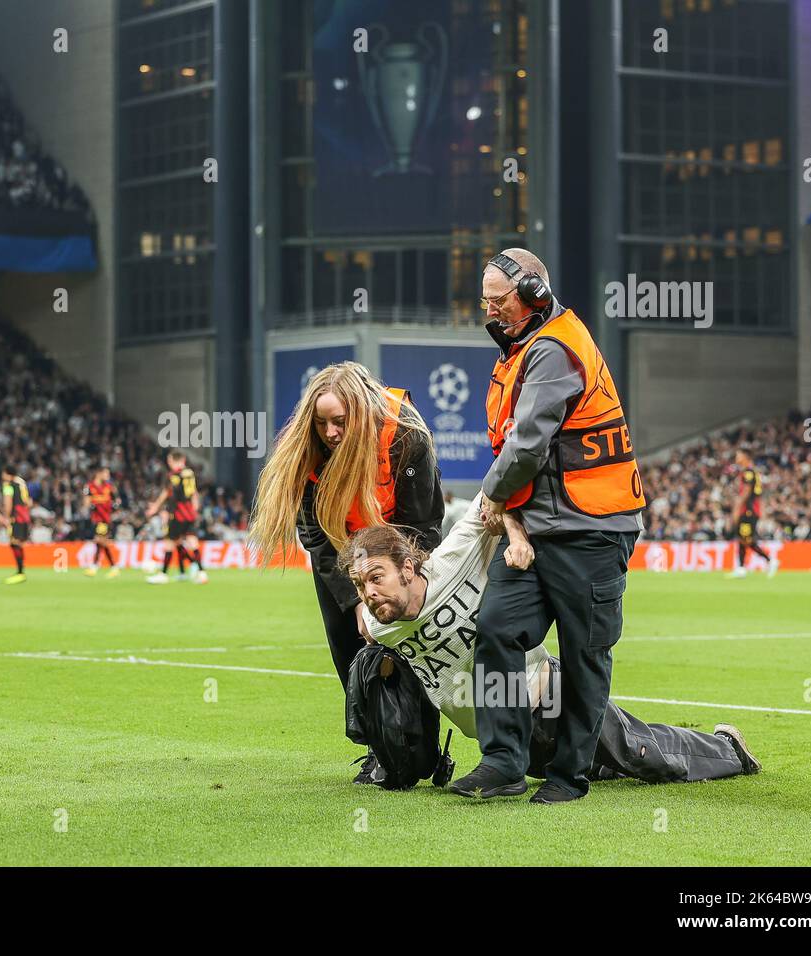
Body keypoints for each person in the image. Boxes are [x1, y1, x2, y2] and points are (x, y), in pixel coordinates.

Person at [340, 517, 761, 791]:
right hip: (515, 741)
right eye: (361, 587)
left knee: (642, 754)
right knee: (609, 768)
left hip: (548, 694)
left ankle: (728, 749)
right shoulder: (380, 625)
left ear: (408, 568)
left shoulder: (454, 558)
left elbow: (495, 493)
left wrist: (514, 533)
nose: (370, 593)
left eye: (376, 578)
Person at [459, 248, 647, 804]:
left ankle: (570, 774)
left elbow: (526, 444)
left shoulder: (554, 349)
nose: (491, 311)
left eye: (500, 301)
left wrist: (491, 496)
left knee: (584, 652)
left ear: (535, 293)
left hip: (592, 524)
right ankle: (502, 763)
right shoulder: (524, 348)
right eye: (486, 300)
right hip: (544, 524)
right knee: (496, 627)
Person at [249, 361, 445, 784]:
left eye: (340, 422)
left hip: (402, 556)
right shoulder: (308, 450)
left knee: (410, 651)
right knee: (350, 654)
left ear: (361, 414)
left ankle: (424, 748)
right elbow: (315, 536)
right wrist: (356, 598)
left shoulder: (406, 434)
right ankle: (382, 751)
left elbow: (426, 521)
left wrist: (400, 580)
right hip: (342, 560)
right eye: (322, 423)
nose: (331, 433)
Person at [145, 451, 208, 585]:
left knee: (169, 542)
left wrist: (157, 508)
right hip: (190, 512)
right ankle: (200, 572)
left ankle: (163, 574)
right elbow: (193, 492)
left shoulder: (174, 475)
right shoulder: (190, 473)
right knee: (190, 541)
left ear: (174, 461)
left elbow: (168, 493)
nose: (169, 464)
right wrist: (195, 505)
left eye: (170, 461)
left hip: (178, 513)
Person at [729, 449, 777, 578]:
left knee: (747, 540)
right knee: (742, 539)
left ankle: (770, 560)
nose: (736, 457)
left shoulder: (748, 473)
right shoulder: (751, 472)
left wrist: (736, 508)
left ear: (745, 456)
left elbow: (746, 492)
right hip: (750, 510)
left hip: (748, 510)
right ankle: (741, 568)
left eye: (738, 455)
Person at [84, 466, 120, 578]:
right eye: (106, 473)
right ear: (99, 473)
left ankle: (107, 567)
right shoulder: (89, 486)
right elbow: (86, 503)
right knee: (101, 542)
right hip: (95, 518)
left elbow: (118, 501)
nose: (108, 476)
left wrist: (115, 506)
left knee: (100, 541)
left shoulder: (109, 487)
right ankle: (107, 567)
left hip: (105, 519)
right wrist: (91, 505)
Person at [0, 461, 32, 585]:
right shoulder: (22, 483)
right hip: (24, 516)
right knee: (20, 544)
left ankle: (20, 572)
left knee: (14, 543)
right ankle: (20, 571)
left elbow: (8, 503)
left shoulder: (8, 485)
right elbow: (28, 502)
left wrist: (6, 517)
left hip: (15, 518)